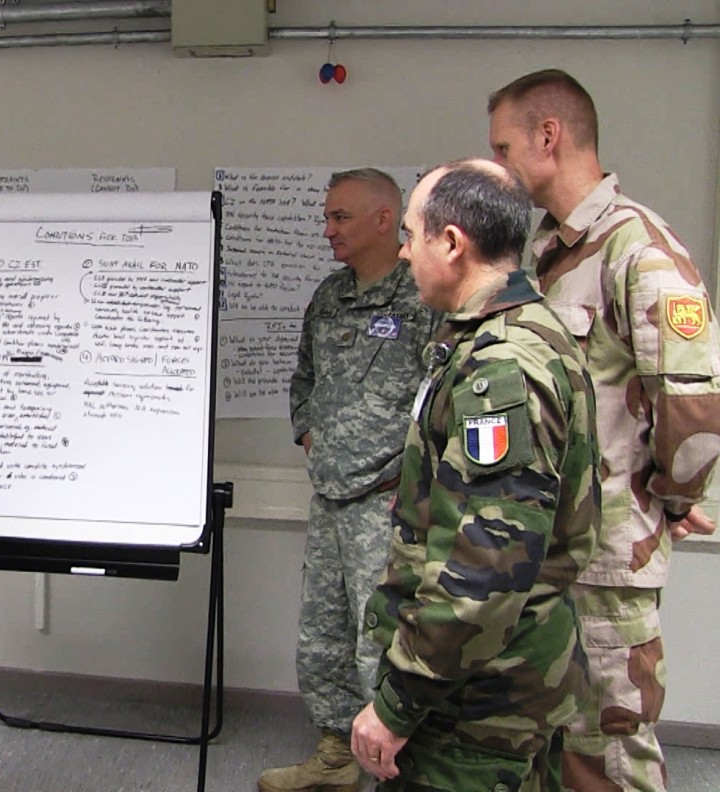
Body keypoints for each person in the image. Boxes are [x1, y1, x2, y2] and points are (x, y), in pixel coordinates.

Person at [487, 69, 720, 791]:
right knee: (554, 749)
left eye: (503, 148)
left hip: (605, 558)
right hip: (554, 551)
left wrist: (671, 499)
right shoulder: (550, 251)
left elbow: (697, 401)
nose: (498, 166)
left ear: (549, 137)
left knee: (608, 757)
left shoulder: (634, 246)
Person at [351, 159, 600, 791]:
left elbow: (484, 571)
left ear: (453, 243)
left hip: (476, 702)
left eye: (410, 235)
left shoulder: (500, 371)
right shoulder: (530, 330)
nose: (404, 254)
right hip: (511, 677)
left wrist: (397, 705)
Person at [261, 168, 438, 792]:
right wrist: (310, 431)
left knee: (384, 640)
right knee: (325, 636)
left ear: (384, 220)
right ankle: (337, 756)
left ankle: (397, 773)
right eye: (327, 215)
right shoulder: (330, 296)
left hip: (388, 503)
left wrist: (403, 476)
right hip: (331, 498)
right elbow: (303, 377)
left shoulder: (422, 300)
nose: (327, 228)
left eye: (340, 217)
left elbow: (439, 400)